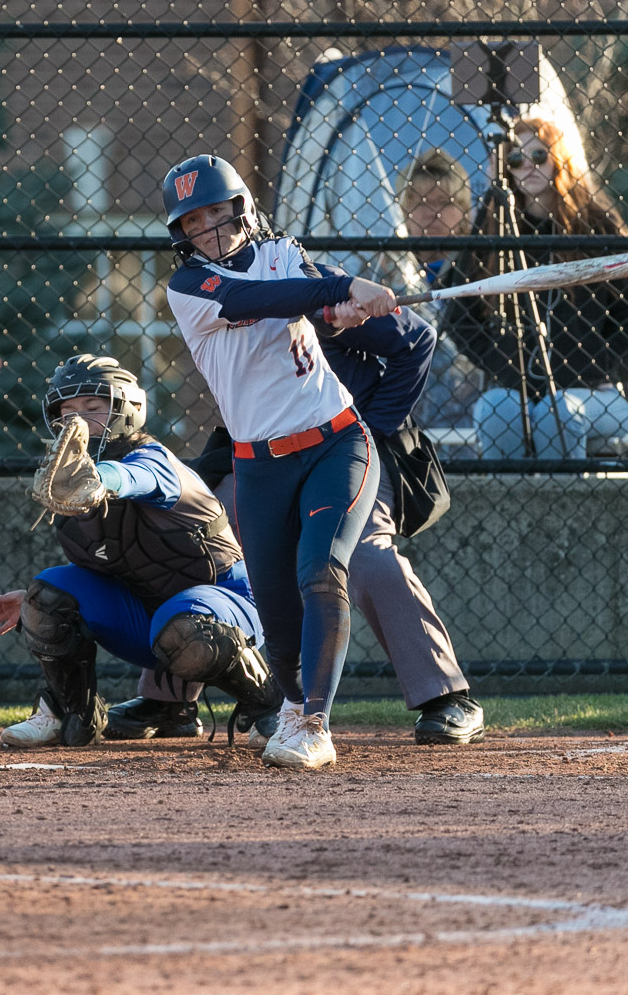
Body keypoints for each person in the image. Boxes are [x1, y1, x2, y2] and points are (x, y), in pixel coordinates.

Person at [163, 154, 396, 769]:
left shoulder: (282, 253)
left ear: (241, 207)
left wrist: (334, 313)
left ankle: (315, 722)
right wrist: (343, 289)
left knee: (321, 569)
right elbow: (256, 300)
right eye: (193, 220)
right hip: (258, 463)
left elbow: (302, 294)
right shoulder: (189, 288)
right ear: (180, 234)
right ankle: (293, 705)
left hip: (335, 440)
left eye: (217, 211)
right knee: (274, 602)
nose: (209, 227)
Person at [185, 298, 485, 745]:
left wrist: (374, 427)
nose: (215, 236)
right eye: (199, 227)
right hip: (262, 454)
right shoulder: (213, 293)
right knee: (198, 530)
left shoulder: (316, 286)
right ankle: (171, 697)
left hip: (348, 446)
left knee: (361, 552)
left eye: (227, 226)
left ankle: (445, 695)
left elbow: (418, 337)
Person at [0, 355, 279, 748]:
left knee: (184, 627)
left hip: (226, 609)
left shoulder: (155, 459)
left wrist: (98, 478)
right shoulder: (63, 485)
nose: (77, 422)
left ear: (128, 409)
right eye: (67, 411)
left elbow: (138, 477)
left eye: (93, 407)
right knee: (48, 593)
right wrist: (34, 605)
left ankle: (270, 707)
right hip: (152, 622)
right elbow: (106, 565)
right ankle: (73, 713)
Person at [444, 119, 628, 459]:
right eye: (515, 160)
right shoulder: (494, 225)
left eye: (539, 155)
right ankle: (507, 510)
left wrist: (592, 363)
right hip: (517, 388)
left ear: (559, 158)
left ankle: (566, 509)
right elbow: (459, 317)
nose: (528, 167)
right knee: (497, 411)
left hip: (595, 391)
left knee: (558, 414)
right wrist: (504, 365)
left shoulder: (595, 224)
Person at [396, 148, 484, 440]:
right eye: (420, 202)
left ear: (463, 211)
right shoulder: (383, 272)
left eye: (445, 203)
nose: (432, 212)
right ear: (402, 209)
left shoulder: (477, 269)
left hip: (466, 409)